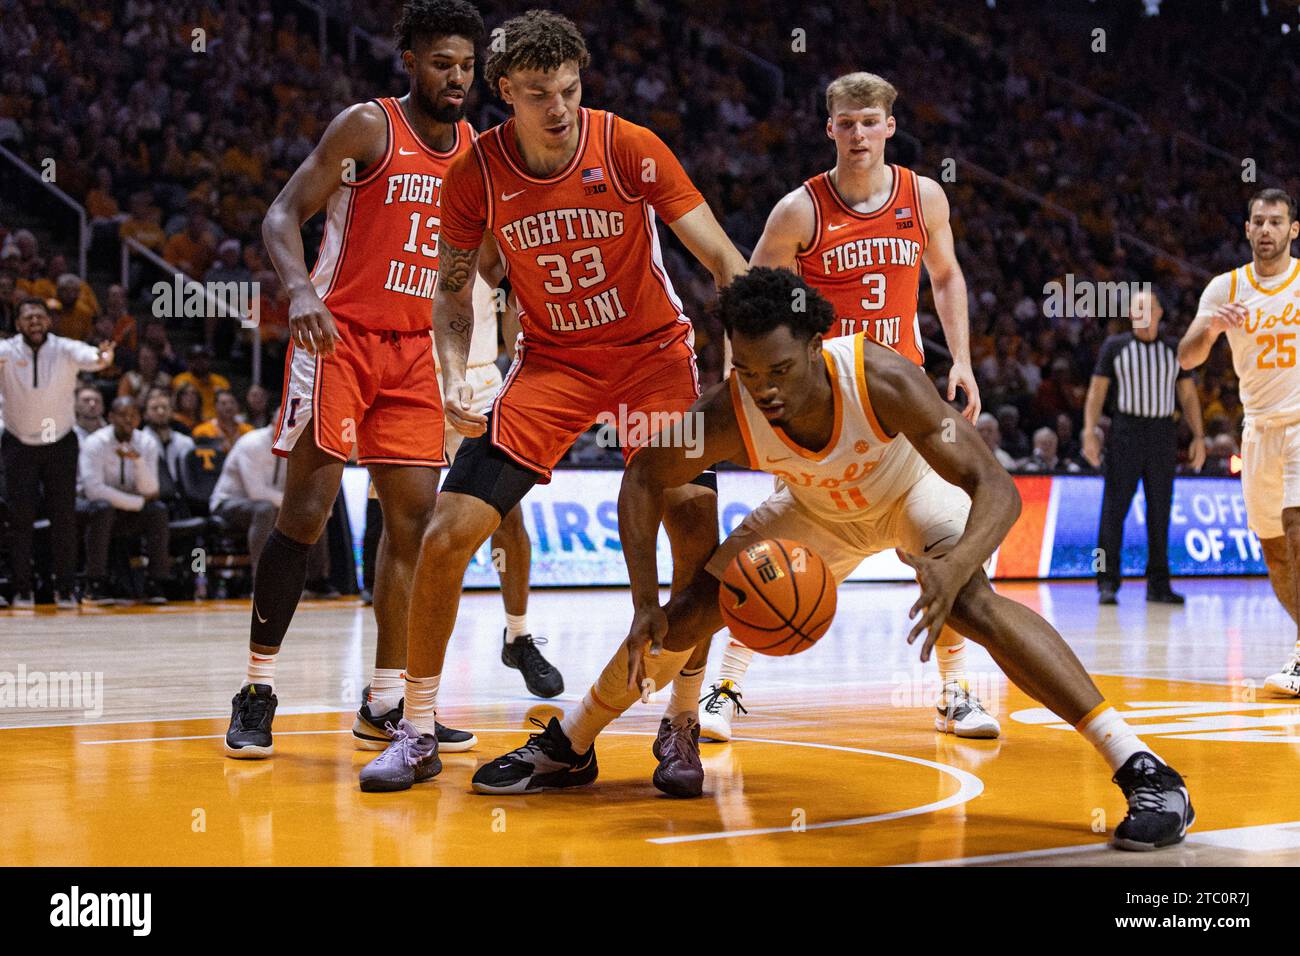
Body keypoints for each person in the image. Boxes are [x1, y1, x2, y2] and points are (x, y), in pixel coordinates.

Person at [473, 268, 1196, 853]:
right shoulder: (734, 407)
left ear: (819, 343)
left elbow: (996, 488)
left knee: (973, 603)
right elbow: (642, 476)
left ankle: (1144, 768)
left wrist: (952, 565)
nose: (768, 390)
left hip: (911, 490)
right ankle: (572, 746)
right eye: (750, 372)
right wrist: (641, 603)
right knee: (689, 613)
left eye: (781, 368)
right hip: (817, 513)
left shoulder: (881, 380)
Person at [358, 8, 747, 792]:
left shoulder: (629, 146)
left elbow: (722, 259)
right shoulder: (477, 173)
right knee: (446, 533)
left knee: (696, 531)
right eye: (539, 93)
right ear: (504, 91)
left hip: (649, 358)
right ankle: (420, 728)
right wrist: (451, 369)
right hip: (553, 364)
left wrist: (746, 366)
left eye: (570, 89)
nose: (560, 108)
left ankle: (678, 725)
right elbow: (453, 285)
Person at [692, 71, 991, 743]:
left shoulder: (925, 197)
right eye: (846, 123)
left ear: (890, 125)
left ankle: (954, 690)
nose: (858, 133)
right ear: (829, 129)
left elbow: (946, 277)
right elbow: (747, 300)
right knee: (779, 565)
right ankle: (725, 685)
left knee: (948, 545)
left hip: (905, 405)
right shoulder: (800, 211)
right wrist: (738, 391)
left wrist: (963, 360)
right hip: (827, 410)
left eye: (870, 121)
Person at [224, 0, 488, 761]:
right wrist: (299, 292)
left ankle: (386, 701)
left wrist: (458, 374)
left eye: (467, 65)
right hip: (337, 336)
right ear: (409, 59)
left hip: (411, 354)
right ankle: (257, 687)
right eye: (442, 62)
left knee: (414, 525)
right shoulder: (368, 128)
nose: (457, 78)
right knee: (304, 516)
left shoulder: (476, 153)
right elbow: (281, 215)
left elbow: (460, 279)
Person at [1179, 188, 1300, 696]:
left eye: (1277, 221)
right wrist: (1209, 333)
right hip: (1258, 431)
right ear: (1247, 230)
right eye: (1258, 222)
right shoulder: (1224, 288)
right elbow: (1186, 357)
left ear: (1293, 230)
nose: (1267, 230)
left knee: (1297, 529)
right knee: (1274, 552)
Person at [1084, 289, 1204, 605]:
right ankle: (1105, 581)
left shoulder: (1174, 349)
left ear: (1160, 312)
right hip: (1125, 431)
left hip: (1162, 433)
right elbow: (1097, 392)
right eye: (1136, 308)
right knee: (1112, 509)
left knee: (1160, 510)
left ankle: (1159, 584)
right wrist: (1088, 431)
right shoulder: (1115, 346)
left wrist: (1199, 436)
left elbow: (1188, 395)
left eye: (1148, 307)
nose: (1142, 313)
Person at [0, 298, 113, 608]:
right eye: (28, 317)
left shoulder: (65, 348)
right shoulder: (7, 351)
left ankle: (65, 588)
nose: (34, 321)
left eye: (39, 316)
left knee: (63, 518)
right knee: (19, 520)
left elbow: (92, 358)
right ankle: (22, 589)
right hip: (17, 442)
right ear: (18, 323)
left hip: (59, 441)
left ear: (48, 321)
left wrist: (103, 356)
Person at [77, 396, 171, 605]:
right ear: (111, 417)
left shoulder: (146, 442)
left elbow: (151, 489)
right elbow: (93, 490)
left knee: (157, 510)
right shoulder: (95, 443)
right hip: (92, 509)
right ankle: (95, 583)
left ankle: (156, 582)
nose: (128, 420)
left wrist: (137, 461)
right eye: (123, 415)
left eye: (133, 416)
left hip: (127, 509)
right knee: (103, 508)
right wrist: (137, 503)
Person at [211, 422, 327, 578]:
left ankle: (317, 581)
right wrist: (295, 505)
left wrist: (313, 506)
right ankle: (261, 578)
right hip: (228, 503)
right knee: (264, 509)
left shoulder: (296, 445)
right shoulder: (251, 443)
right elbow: (256, 493)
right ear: (274, 423)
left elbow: (300, 488)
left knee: (313, 511)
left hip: (273, 504)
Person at [171, 344, 230, 420]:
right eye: (194, 358)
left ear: (209, 360)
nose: (199, 361)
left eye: (204, 358)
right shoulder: (180, 380)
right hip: (188, 420)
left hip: (215, 423)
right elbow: (175, 406)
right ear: (188, 362)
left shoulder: (221, 382)